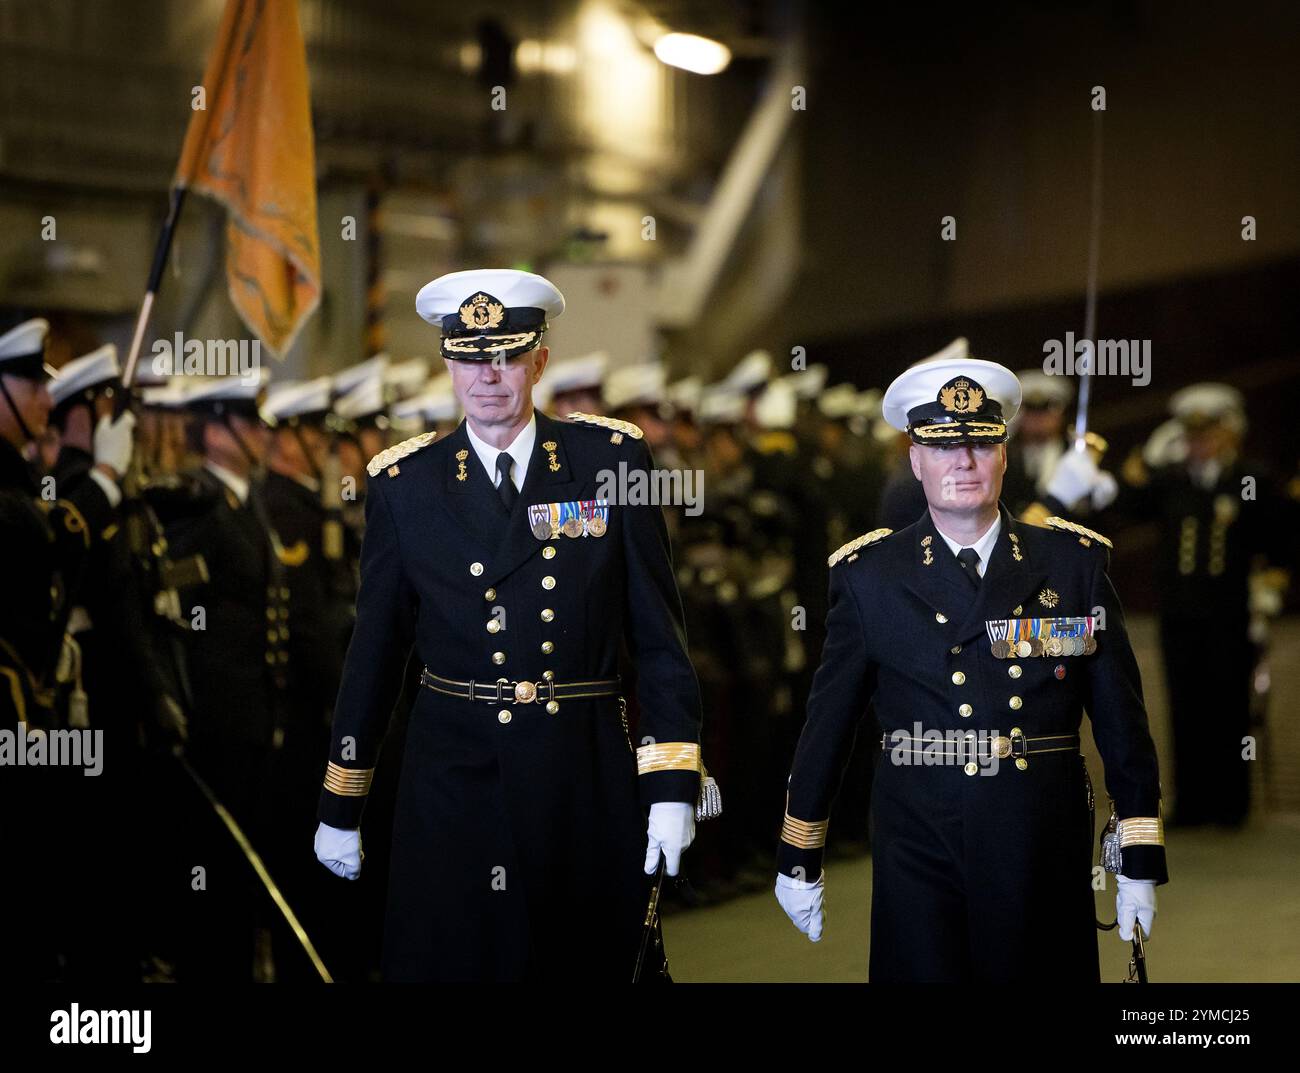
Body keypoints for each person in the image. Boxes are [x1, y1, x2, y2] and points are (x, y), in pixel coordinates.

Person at [313, 268, 703, 981]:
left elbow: (657, 640)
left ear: (538, 361)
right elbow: (374, 654)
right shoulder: (407, 485)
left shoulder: (609, 462)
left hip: (580, 777)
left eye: (506, 355)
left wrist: (672, 785)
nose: (488, 376)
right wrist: (343, 798)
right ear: (448, 366)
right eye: (469, 358)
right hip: (455, 783)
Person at [774, 355, 1167, 982]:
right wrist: (800, 850)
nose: (963, 461)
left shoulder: (1071, 565)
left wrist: (1138, 856)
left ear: (1004, 454)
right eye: (943, 445)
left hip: (1038, 834)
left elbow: (1121, 720)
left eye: (981, 443)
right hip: (920, 838)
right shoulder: (869, 576)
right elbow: (829, 722)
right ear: (914, 460)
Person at [1110, 383, 1292, 826]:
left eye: (1208, 433)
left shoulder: (1249, 479)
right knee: (1184, 707)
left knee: (1229, 707)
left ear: (1231, 433)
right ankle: (1191, 803)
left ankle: (1231, 804)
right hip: (1180, 613)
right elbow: (1126, 505)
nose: (1198, 444)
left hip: (1230, 614)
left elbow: (1280, 536)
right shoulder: (1171, 481)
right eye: (1191, 435)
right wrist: (1149, 460)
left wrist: (1267, 598)